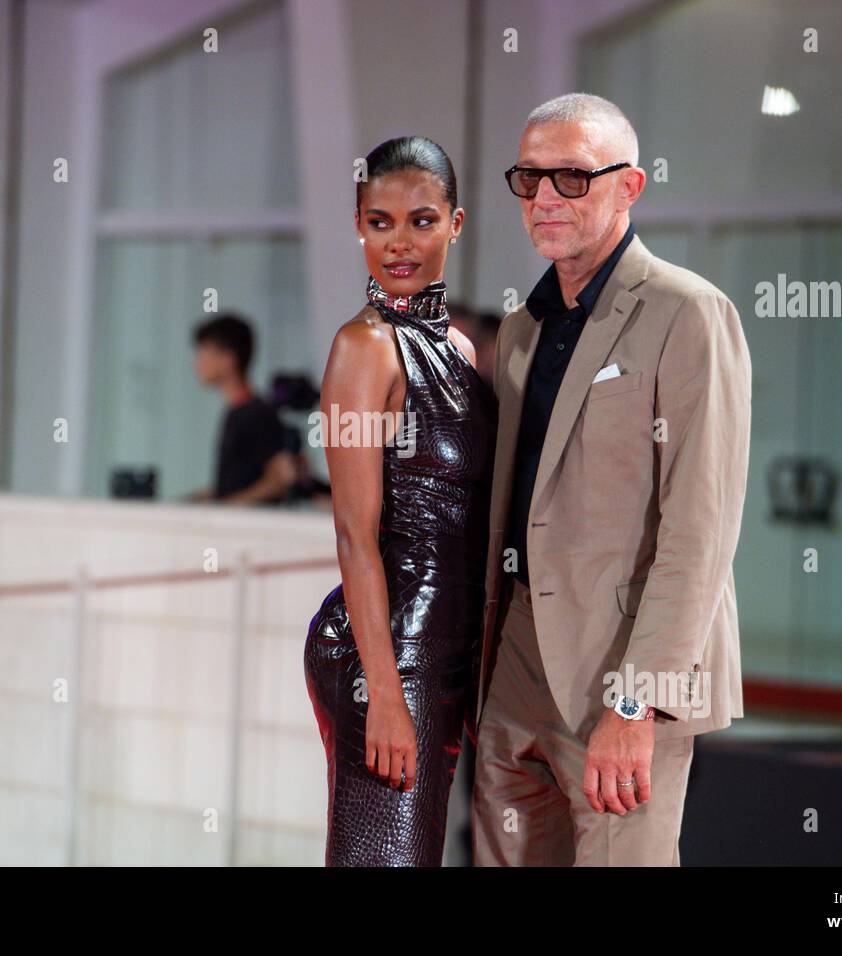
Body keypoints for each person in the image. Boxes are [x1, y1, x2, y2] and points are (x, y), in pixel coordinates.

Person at [470, 93, 752, 866]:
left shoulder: (689, 312)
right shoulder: (523, 328)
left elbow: (701, 528)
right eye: (530, 179)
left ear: (628, 187)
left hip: (624, 669)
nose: (546, 199)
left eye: (571, 177)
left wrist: (638, 703)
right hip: (517, 661)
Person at [303, 136, 497, 866]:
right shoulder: (364, 348)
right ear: (358, 225)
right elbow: (355, 535)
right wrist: (383, 692)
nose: (398, 243)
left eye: (421, 220)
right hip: (385, 660)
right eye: (378, 222)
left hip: (446, 660)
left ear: (456, 222)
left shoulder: (461, 349)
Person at [187, 314, 297, 505]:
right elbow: (236, 484)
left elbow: (279, 481)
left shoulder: (257, 415)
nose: (197, 363)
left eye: (205, 352)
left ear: (228, 359)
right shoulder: (235, 412)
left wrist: (225, 509)